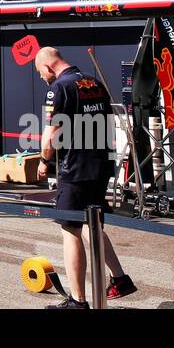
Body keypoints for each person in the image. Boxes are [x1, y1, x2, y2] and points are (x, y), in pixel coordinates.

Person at [34, 46, 136, 307]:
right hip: (101, 166)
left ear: (47, 66)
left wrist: (44, 161)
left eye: (40, 73)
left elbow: (52, 134)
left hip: (75, 169)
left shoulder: (59, 88)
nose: (42, 79)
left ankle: (78, 300)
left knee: (70, 230)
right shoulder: (95, 82)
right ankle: (120, 278)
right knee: (94, 225)